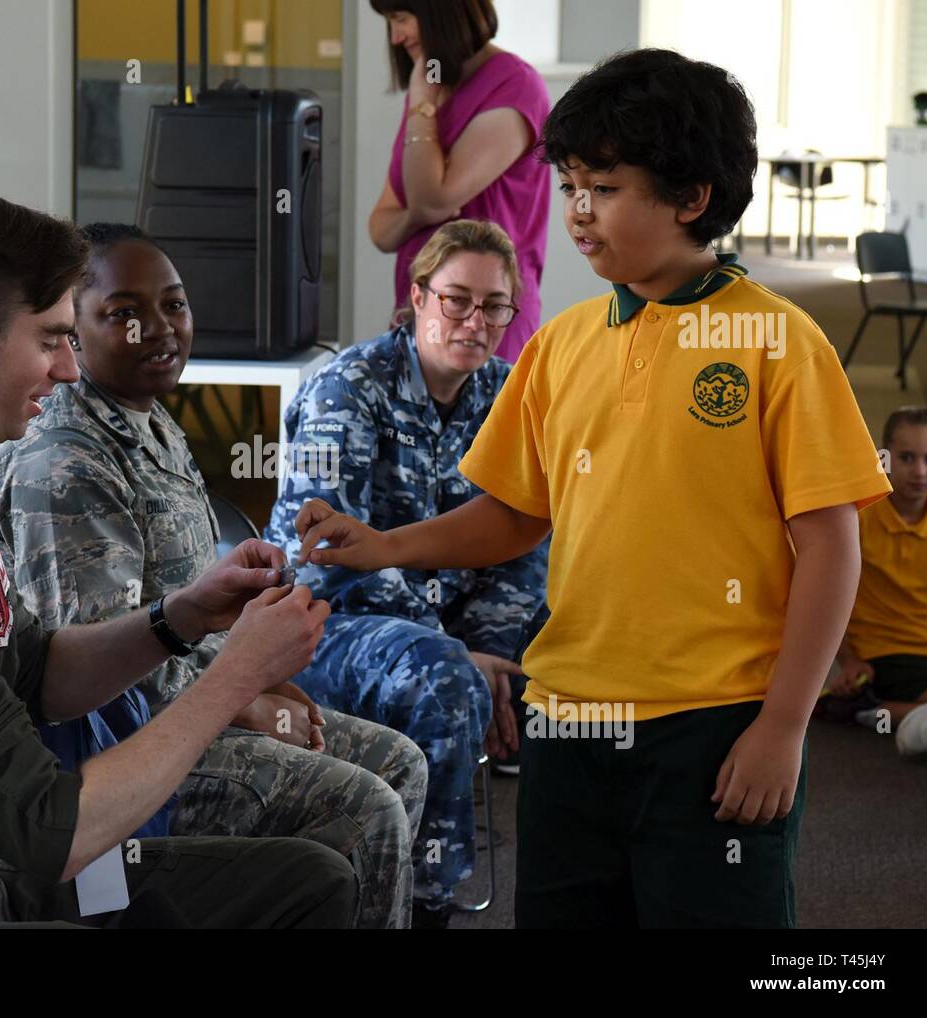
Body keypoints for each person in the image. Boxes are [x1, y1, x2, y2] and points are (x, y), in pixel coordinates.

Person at [292, 49, 893, 929]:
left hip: (713, 724)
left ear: (691, 197)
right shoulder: (561, 344)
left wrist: (784, 726)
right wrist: (387, 546)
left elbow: (833, 545)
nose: (576, 210)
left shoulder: (777, 341)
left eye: (603, 187)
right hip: (568, 718)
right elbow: (516, 513)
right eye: (569, 184)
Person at [0, 185, 357, 929]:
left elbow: (34, 670)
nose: (66, 370)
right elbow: (48, 830)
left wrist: (176, 620)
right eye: (51, 339)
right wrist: (234, 675)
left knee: (311, 882)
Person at [0, 222, 429, 929]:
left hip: (205, 702)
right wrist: (249, 699)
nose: (159, 330)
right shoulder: (66, 462)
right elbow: (98, 687)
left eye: (173, 306)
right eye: (123, 313)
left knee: (399, 762)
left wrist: (273, 681)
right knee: (362, 807)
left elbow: (180, 611)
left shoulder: (146, 415)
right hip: (125, 759)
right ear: (72, 332)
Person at [262, 219, 548, 925]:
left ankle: (574, 895)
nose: (475, 321)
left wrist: (497, 654)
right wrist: (458, 652)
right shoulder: (347, 389)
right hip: (324, 626)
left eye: (494, 305)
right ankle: (421, 904)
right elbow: (325, 557)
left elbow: (524, 542)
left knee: (590, 664)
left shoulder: (510, 395)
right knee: (443, 675)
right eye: (457, 299)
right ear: (417, 297)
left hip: (458, 632)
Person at [368, 0, 550, 361]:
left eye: (402, 19)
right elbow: (381, 229)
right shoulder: (431, 90)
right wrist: (415, 217)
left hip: (484, 320)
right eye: (390, 22)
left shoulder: (515, 86)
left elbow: (432, 198)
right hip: (420, 312)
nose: (396, 36)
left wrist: (421, 103)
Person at [830, 406, 927, 756]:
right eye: (907, 458)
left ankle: (877, 712)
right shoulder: (857, 518)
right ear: (884, 458)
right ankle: (884, 713)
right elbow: (825, 597)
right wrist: (848, 662)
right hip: (886, 653)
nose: (921, 472)